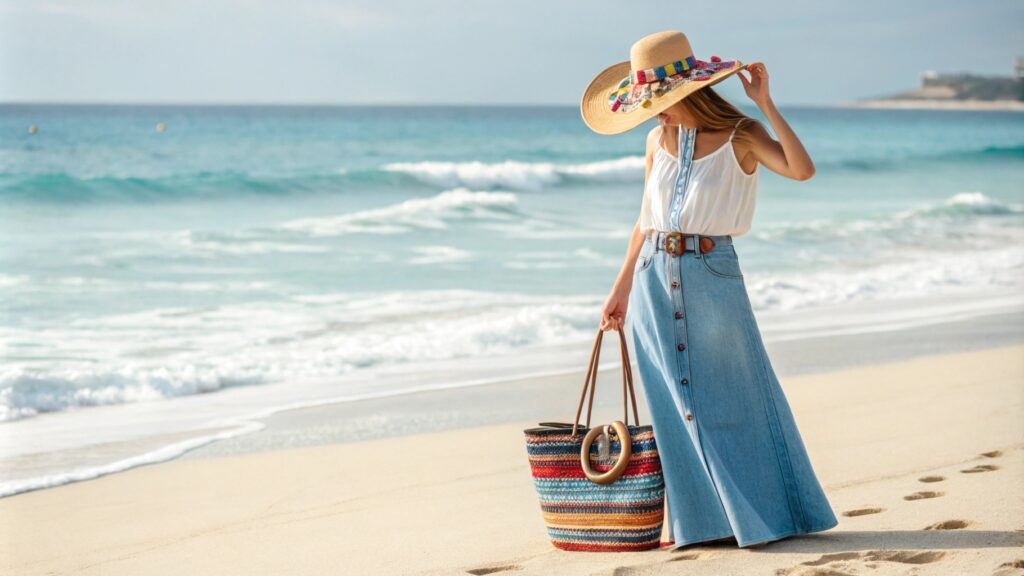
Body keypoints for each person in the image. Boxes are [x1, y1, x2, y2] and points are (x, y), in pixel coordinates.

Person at [580, 30, 838, 549]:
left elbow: (802, 170)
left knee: (732, 396)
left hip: (710, 272)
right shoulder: (657, 141)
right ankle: (700, 525)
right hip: (653, 275)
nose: (655, 115)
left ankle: (768, 516)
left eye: (661, 103)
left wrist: (765, 104)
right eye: (649, 106)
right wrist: (619, 289)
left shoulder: (742, 133)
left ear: (688, 94)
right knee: (673, 405)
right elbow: (644, 221)